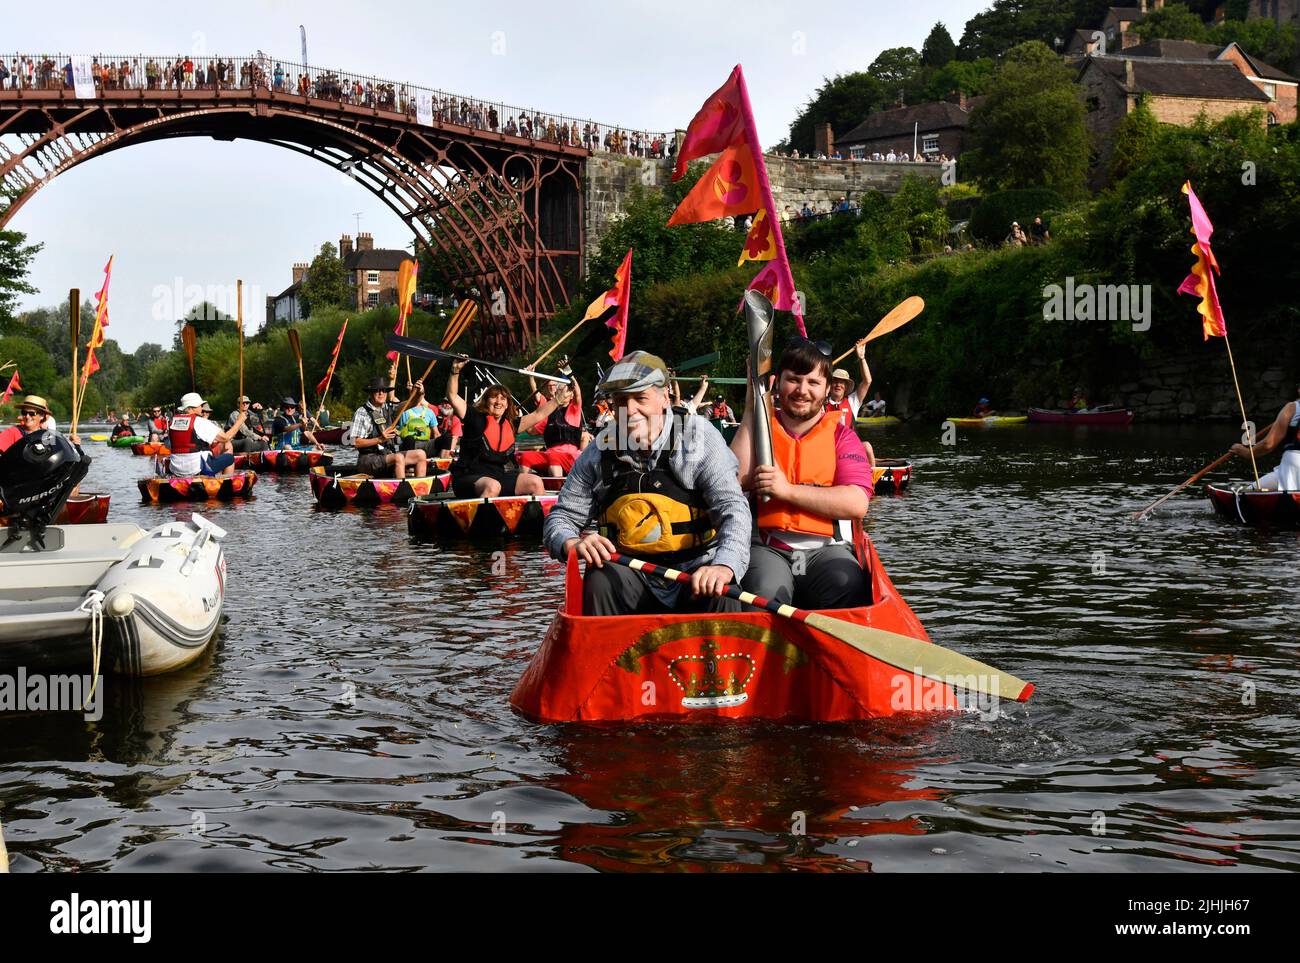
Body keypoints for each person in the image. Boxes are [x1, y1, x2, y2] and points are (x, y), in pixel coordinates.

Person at [542, 350, 751, 616]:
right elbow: (560, 518)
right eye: (620, 400)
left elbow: (734, 509)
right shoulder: (598, 452)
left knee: (724, 590)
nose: (629, 411)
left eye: (640, 398)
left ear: (664, 398)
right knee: (600, 575)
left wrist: (725, 566)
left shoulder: (699, 439)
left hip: (698, 575)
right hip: (630, 576)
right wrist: (571, 543)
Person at [730, 338, 874, 610]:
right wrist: (753, 404)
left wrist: (787, 491)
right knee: (762, 592)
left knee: (848, 584)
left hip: (827, 551)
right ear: (777, 383)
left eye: (813, 382)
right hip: (769, 548)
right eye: (793, 380)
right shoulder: (759, 428)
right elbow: (734, 480)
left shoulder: (843, 437)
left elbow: (856, 504)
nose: (802, 390)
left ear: (828, 389)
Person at [447, 360, 548, 497]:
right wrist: (455, 371)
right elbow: (452, 396)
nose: (498, 402)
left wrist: (559, 399)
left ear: (507, 404)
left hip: (498, 477)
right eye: (494, 397)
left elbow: (540, 414)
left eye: (503, 399)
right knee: (493, 486)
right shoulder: (474, 417)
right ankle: (481, 518)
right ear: (486, 401)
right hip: (469, 477)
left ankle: (539, 518)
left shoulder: (512, 424)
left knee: (535, 481)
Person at [351, 377, 428, 479]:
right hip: (368, 460)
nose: (381, 393)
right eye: (377, 391)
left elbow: (412, 403)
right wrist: (379, 439)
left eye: (384, 390)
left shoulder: (389, 408)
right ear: (370, 393)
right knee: (398, 458)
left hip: (387, 456)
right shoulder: (362, 413)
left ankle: (419, 491)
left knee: (421, 454)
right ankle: (402, 490)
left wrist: (420, 393)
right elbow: (354, 442)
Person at [517, 371, 587, 478]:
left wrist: (570, 374)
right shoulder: (548, 414)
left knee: (554, 457)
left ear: (571, 394)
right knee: (525, 456)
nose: (563, 393)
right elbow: (531, 430)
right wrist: (519, 419)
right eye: (559, 391)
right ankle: (526, 485)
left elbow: (578, 393)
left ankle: (558, 487)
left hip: (569, 457)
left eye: (566, 391)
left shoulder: (574, 410)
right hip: (549, 455)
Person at [1231, 386, 1300, 490]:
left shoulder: (1292, 408)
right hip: (1288, 470)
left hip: (1293, 467)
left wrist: (1248, 453)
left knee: (1246, 494)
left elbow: (1268, 444)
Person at [168, 392, 244, 478]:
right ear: (192, 408)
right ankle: (225, 486)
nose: (202, 407)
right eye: (200, 405)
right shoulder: (200, 421)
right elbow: (226, 438)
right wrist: (239, 421)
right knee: (229, 458)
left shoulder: (172, 422)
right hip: (197, 469)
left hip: (176, 469)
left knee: (215, 448)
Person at [0, 396, 80, 453]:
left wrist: (73, 446)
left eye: (32, 413)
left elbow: (57, 454)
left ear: (41, 416)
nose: (27, 416)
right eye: (24, 413)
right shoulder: (12, 432)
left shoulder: (48, 435)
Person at [825, 339, 872, 429]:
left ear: (846, 387)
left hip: (848, 442)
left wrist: (862, 358)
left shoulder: (853, 401)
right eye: (835, 381)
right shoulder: (821, 403)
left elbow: (867, 381)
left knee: (866, 444)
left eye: (841, 382)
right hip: (829, 442)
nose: (838, 385)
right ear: (830, 385)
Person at [395, 381, 441, 457]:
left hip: (426, 443)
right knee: (409, 439)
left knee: (446, 438)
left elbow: (436, 433)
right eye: (415, 393)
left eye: (419, 393)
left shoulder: (429, 411)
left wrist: (439, 443)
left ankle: (441, 463)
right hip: (409, 444)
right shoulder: (404, 410)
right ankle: (409, 464)